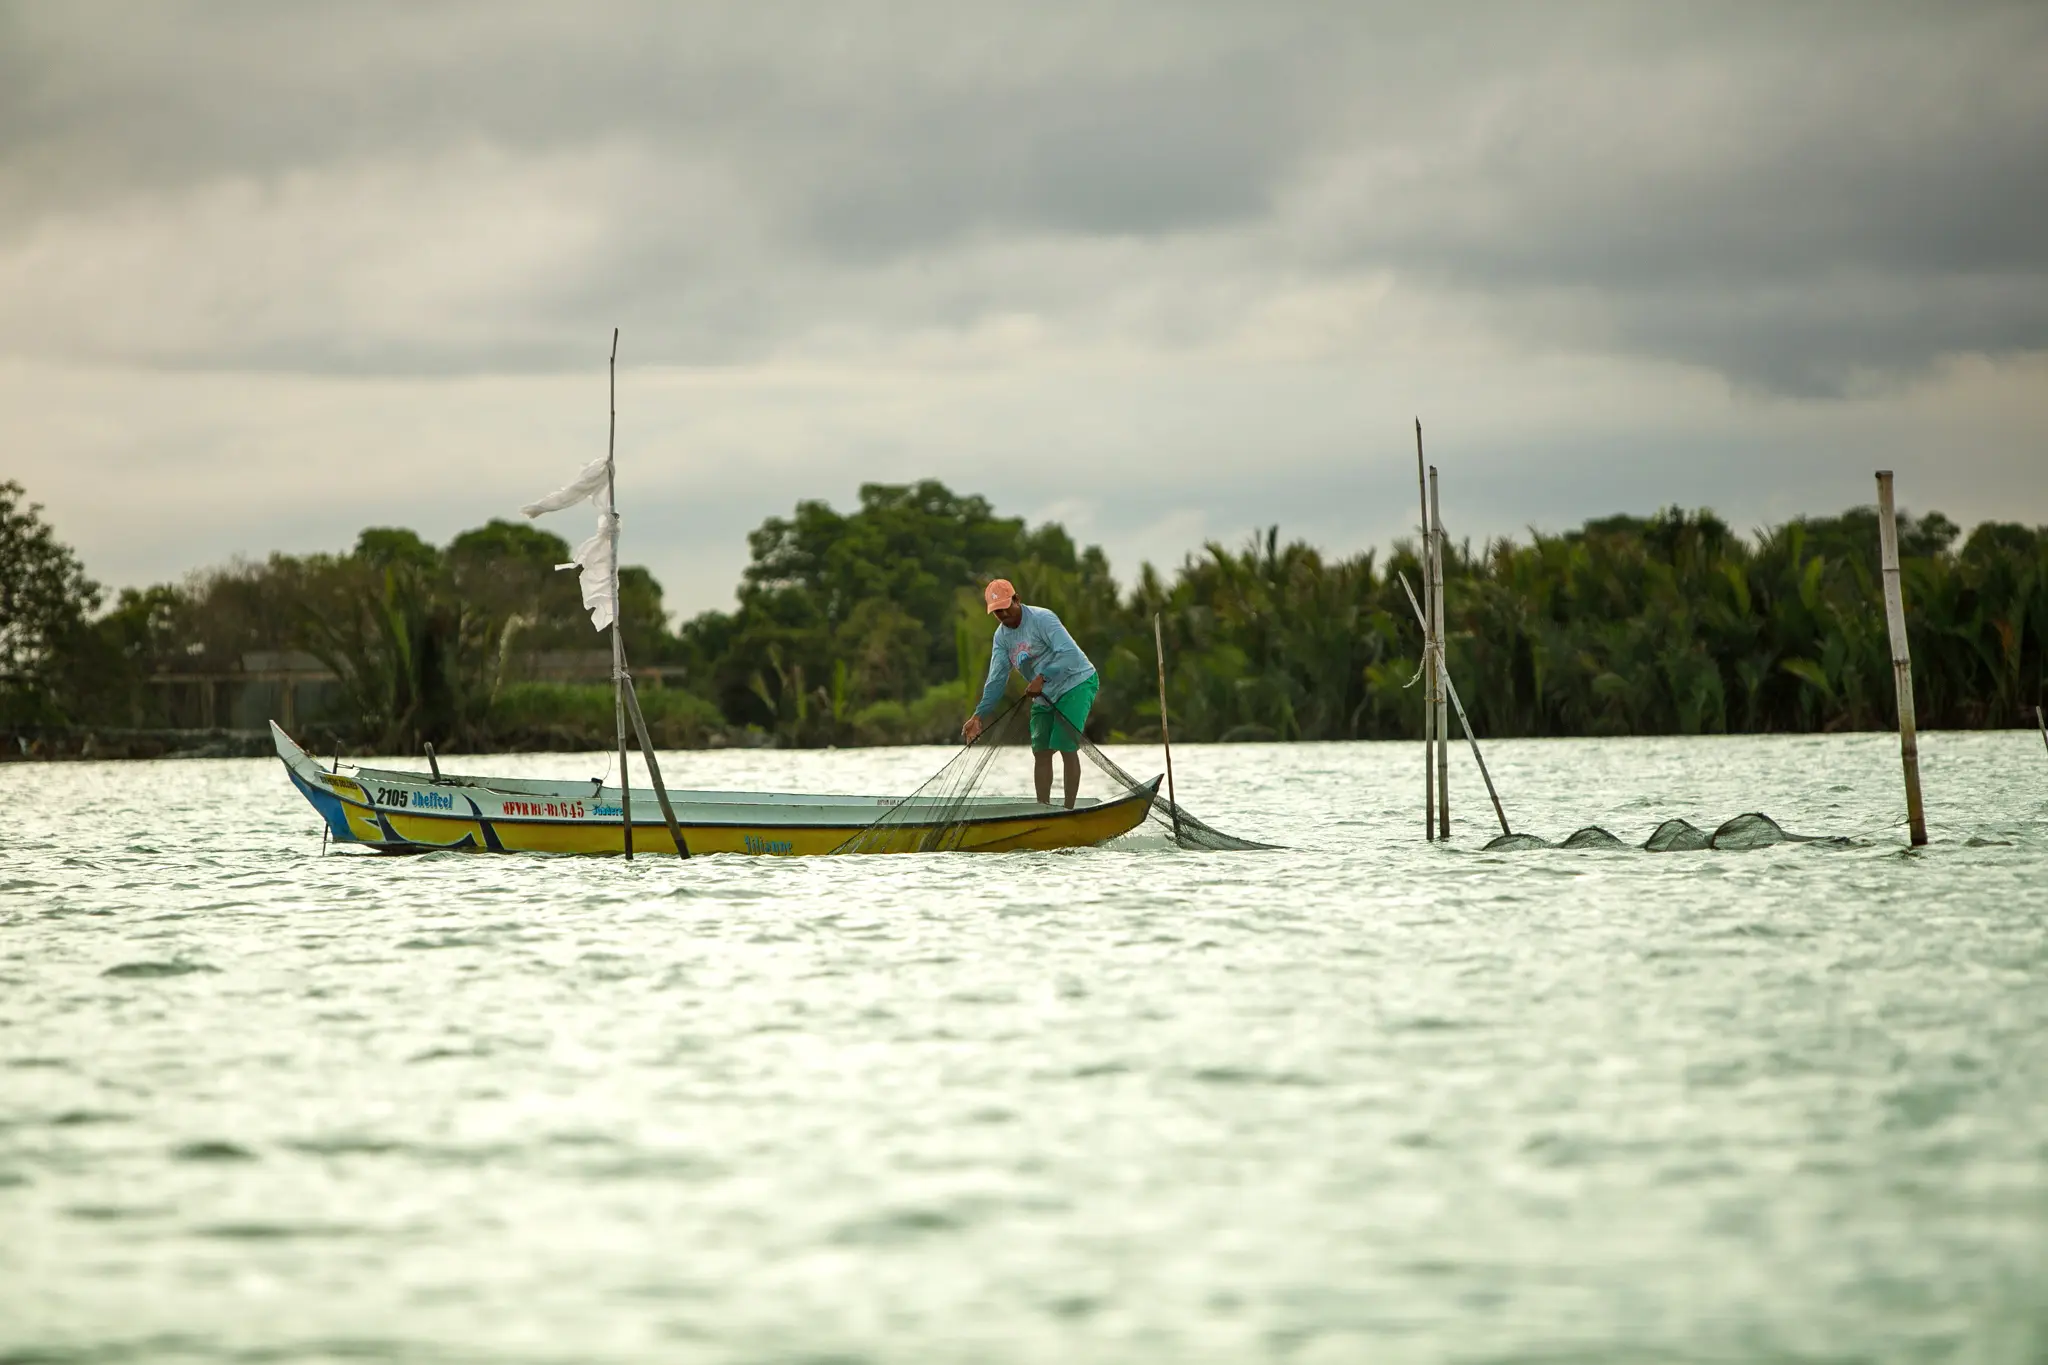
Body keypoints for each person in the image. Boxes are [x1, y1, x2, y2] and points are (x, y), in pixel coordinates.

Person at [962, 578, 1100, 808]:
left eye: (1006, 607)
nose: (1003, 614)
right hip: (1044, 695)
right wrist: (979, 715)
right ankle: (1043, 810)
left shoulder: (1042, 619)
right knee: (1041, 751)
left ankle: (1068, 811)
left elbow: (1069, 654)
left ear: (1017, 599)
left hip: (1076, 682)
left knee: (1066, 745)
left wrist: (1042, 677)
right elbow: (996, 679)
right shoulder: (1002, 638)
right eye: (997, 611)